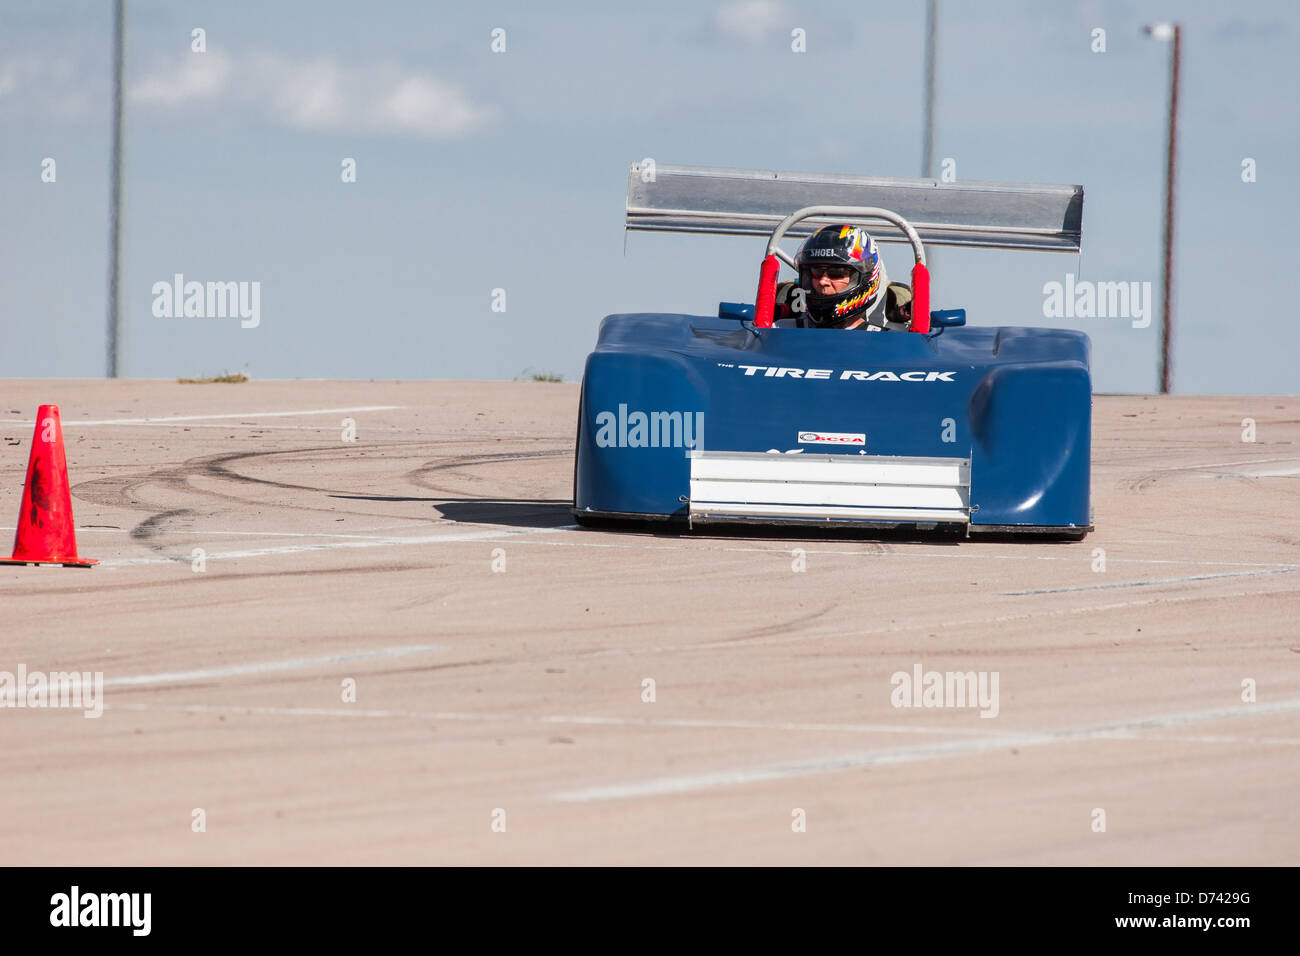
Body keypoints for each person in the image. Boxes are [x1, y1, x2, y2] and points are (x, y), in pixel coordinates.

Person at [773, 224, 913, 330]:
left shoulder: (890, 343)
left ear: (864, 279)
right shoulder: (775, 330)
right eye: (816, 271)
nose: (823, 281)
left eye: (836, 273)